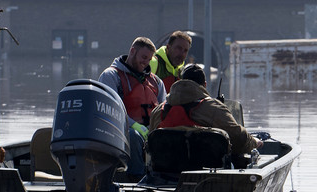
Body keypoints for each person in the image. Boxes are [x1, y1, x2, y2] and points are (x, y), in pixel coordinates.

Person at [149, 64, 262, 163]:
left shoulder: (158, 110)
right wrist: (254, 142)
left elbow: (150, 146)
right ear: (205, 85)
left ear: (180, 82)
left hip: (163, 174)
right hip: (208, 176)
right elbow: (239, 138)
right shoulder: (214, 108)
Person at [98, 37, 166, 177]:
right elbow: (109, 110)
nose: (146, 63)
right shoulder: (111, 76)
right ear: (132, 51)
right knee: (133, 136)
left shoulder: (156, 81)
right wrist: (135, 126)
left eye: (149, 59)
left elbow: (164, 110)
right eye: (143, 57)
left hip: (150, 130)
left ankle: (162, 176)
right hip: (121, 132)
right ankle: (136, 178)